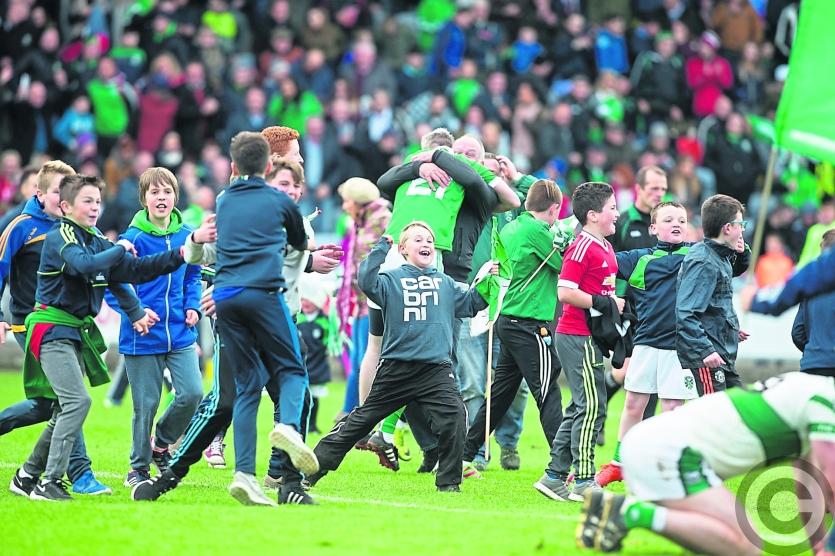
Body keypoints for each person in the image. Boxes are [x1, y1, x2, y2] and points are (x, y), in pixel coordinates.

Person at [12, 174, 184, 501]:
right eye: (87, 201)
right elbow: (83, 265)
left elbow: (137, 270)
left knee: (63, 407)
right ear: (66, 206)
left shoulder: (95, 239)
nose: (95, 207)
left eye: (98, 201)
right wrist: (118, 249)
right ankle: (48, 483)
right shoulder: (61, 234)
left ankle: (27, 476)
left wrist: (183, 253)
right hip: (51, 329)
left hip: (72, 332)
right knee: (77, 402)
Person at [310, 222, 487, 492]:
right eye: (418, 240)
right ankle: (311, 469)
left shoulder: (445, 282)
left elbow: (473, 303)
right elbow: (367, 281)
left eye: (429, 240)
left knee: (454, 417)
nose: (426, 244)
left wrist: (491, 281)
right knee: (360, 422)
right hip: (397, 368)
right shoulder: (390, 279)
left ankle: (449, 483)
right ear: (403, 249)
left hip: (436, 370)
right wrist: (381, 248)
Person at [577, 372, 835, 556]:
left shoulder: (811, 388)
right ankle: (630, 512)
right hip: (669, 453)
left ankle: (619, 514)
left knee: (730, 539)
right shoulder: (824, 402)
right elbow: (831, 483)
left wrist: (819, 547)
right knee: (748, 546)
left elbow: (809, 485)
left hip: (656, 444)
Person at [595, 201, 750, 487]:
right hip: (645, 342)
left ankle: (667, 466)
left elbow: (730, 270)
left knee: (672, 409)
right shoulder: (638, 259)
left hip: (679, 347)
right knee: (633, 404)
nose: (676, 224)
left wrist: (742, 251)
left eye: (681, 219)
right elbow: (599, 263)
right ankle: (619, 463)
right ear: (653, 228)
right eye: (668, 220)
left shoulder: (697, 253)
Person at [208, 132, 316, 507]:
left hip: (227, 299)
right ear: (270, 165)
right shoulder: (278, 201)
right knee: (294, 372)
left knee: (246, 389)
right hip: (265, 297)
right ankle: (287, 430)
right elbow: (299, 243)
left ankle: (247, 475)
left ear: (233, 166)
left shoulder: (224, 200)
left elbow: (217, 248)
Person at [1, 161, 111, 496]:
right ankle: (78, 473)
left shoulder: (78, 229)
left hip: (67, 324)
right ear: (40, 194)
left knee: (52, 404)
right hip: (32, 323)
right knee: (70, 400)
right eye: (57, 191)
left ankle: (33, 475)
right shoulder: (21, 226)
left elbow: (107, 274)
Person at [104, 167, 203, 488]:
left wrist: (192, 306)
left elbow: (192, 276)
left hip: (180, 333)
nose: (162, 198)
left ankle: (160, 443)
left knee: (192, 393)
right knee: (145, 405)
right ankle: (138, 468)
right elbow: (111, 284)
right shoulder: (132, 238)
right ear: (143, 198)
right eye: (154, 192)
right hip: (142, 334)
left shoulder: (187, 234)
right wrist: (136, 312)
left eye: (167, 191)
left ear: (176, 196)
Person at [462, 179, 564, 479]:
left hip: (508, 319)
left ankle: (464, 455)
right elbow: (565, 265)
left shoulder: (513, 227)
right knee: (548, 391)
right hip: (529, 323)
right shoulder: (538, 231)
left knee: (500, 396)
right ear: (555, 209)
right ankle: (565, 464)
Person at [539, 182, 622, 502]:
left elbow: (602, 292)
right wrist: (605, 304)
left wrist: (615, 307)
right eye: (612, 208)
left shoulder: (605, 246)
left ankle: (553, 477)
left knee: (580, 406)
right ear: (593, 215)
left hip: (590, 336)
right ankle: (585, 480)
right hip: (576, 334)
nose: (617, 213)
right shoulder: (582, 246)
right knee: (592, 406)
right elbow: (565, 291)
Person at [676, 194, 750, 396]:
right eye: (740, 224)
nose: (743, 229)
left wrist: (729, 328)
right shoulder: (703, 261)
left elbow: (716, 301)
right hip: (708, 357)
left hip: (720, 352)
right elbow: (686, 313)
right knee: (712, 413)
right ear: (728, 228)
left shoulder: (720, 255)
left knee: (738, 405)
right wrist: (705, 350)